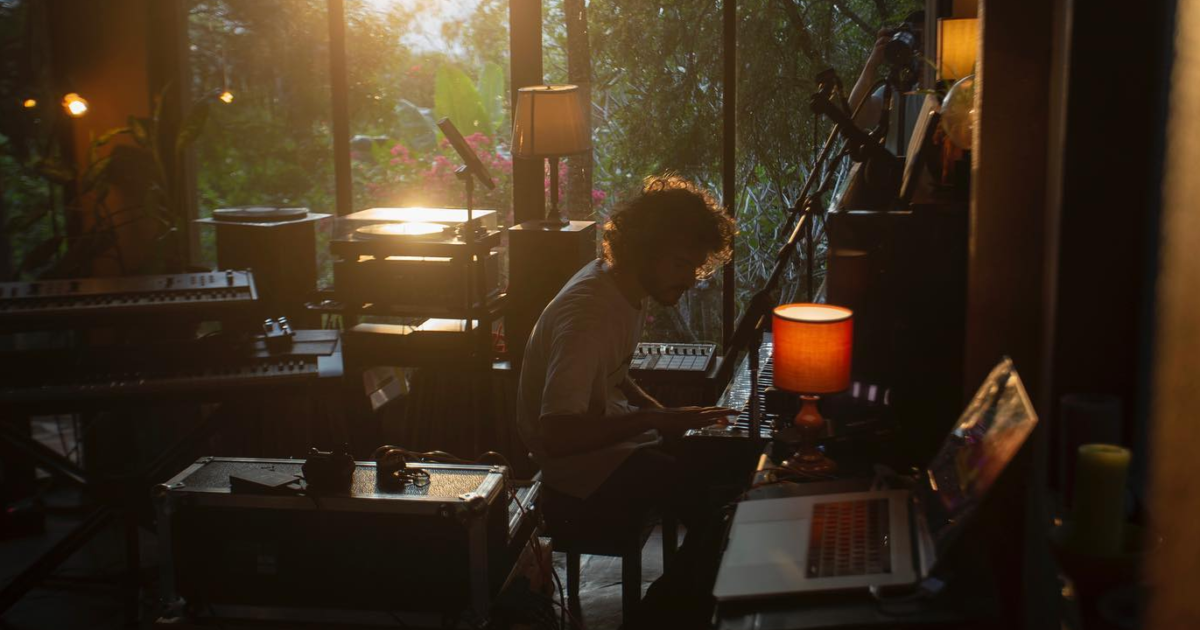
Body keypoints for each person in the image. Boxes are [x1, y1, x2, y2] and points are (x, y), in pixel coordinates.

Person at [516, 174, 738, 626]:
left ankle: (685, 602)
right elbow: (556, 433)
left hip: (605, 445)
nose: (691, 279)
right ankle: (666, 615)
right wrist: (654, 422)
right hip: (577, 468)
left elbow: (615, 376)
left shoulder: (621, 287)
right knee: (706, 495)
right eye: (681, 264)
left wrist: (660, 414)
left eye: (696, 266)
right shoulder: (590, 315)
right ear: (645, 249)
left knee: (716, 472)